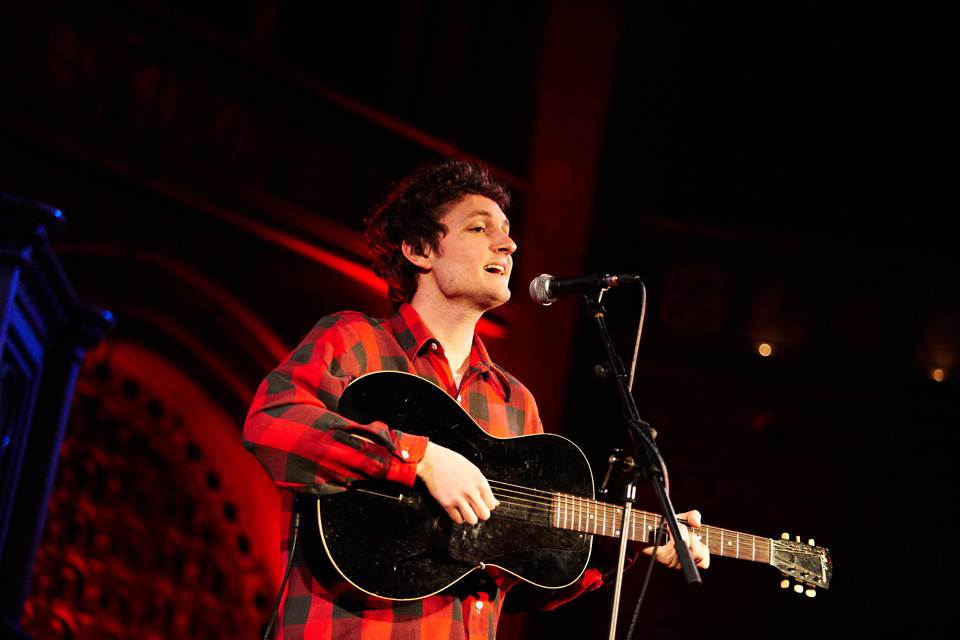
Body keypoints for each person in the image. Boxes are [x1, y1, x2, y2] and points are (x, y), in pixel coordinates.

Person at [243, 159, 709, 639]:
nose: (507, 244)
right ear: (420, 249)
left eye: (507, 233)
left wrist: (628, 546)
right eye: (478, 228)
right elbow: (272, 423)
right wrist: (420, 460)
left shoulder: (514, 402)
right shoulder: (355, 342)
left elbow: (518, 575)